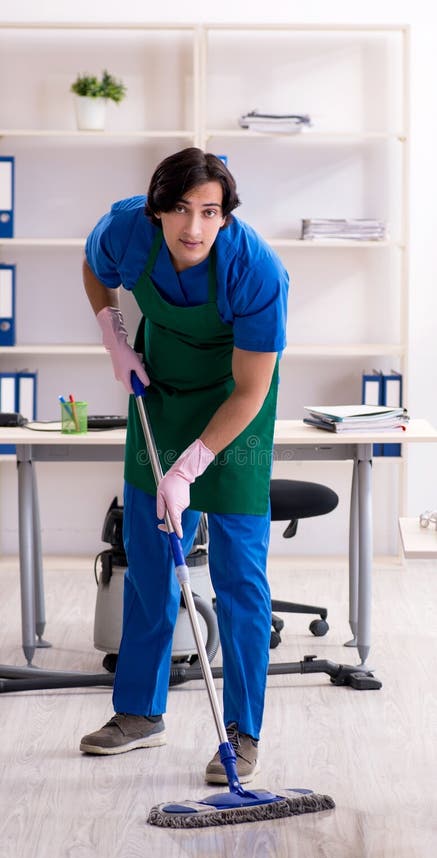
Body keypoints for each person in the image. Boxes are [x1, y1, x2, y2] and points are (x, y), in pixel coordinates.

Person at [80, 147, 289, 784]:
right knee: (150, 566)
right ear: (155, 211)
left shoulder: (256, 269)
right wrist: (115, 337)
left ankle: (242, 731)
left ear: (226, 216)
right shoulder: (126, 230)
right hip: (162, 394)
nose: (193, 227)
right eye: (178, 210)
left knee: (239, 581)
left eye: (209, 212)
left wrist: (192, 465)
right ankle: (140, 714)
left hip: (235, 412)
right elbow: (94, 270)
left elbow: (251, 390)